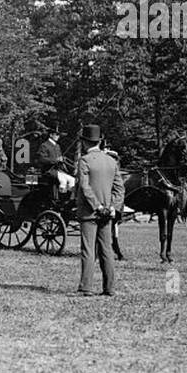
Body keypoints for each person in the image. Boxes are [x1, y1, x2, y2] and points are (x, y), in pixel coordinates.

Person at [74, 123, 126, 296]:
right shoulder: (111, 161)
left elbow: (85, 187)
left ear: (85, 142)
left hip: (90, 212)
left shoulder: (85, 161)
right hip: (107, 213)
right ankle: (109, 287)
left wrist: (98, 206)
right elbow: (119, 189)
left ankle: (86, 287)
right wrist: (112, 207)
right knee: (107, 250)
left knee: (88, 250)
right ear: (99, 142)